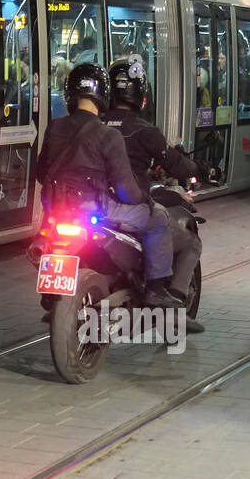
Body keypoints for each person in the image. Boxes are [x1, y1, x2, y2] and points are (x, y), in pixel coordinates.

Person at [35, 62, 180, 309]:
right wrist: (145, 198)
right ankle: (156, 289)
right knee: (158, 218)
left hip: (57, 209)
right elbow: (126, 190)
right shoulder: (107, 135)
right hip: (94, 210)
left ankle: (53, 288)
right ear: (103, 93)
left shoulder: (55, 127)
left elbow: (40, 173)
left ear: (69, 93)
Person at [102, 59, 205, 331]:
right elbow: (174, 163)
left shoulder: (94, 125)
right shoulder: (144, 130)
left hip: (94, 206)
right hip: (129, 207)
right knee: (189, 241)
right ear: (140, 92)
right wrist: (197, 168)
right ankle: (167, 300)